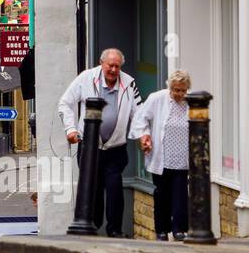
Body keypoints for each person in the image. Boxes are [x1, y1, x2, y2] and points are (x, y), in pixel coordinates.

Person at [58, 49, 144, 237]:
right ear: (101, 63)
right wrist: (71, 129)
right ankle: (92, 226)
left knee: (114, 188)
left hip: (116, 148)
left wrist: (143, 135)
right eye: (110, 65)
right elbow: (65, 103)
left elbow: (139, 113)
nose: (113, 70)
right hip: (89, 147)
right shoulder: (86, 78)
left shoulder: (129, 83)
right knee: (92, 187)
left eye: (117, 66)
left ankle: (114, 230)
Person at [131, 70, 193, 241]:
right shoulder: (157, 98)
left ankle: (179, 229)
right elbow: (140, 119)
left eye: (182, 90)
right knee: (162, 195)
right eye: (176, 90)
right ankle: (161, 230)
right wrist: (144, 136)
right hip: (161, 157)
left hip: (182, 158)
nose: (179, 94)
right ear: (170, 87)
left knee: (180, 195)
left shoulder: (191, 102)